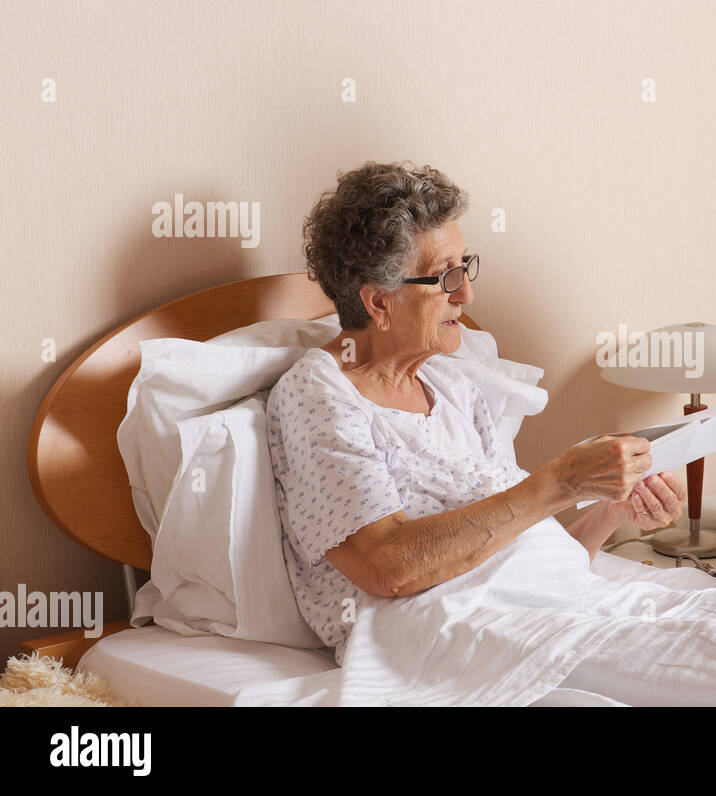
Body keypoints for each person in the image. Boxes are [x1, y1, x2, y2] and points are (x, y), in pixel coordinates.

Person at [266, 161, 687, 664]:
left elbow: (521, 550)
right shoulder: (319, 394)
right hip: (445, 635)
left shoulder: (452, 386)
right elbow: (388, 566)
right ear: (379, 303)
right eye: (445, 276)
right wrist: (560, 482)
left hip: (547, 607)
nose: (466, 294)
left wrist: (609, 511)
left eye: (465, 268)